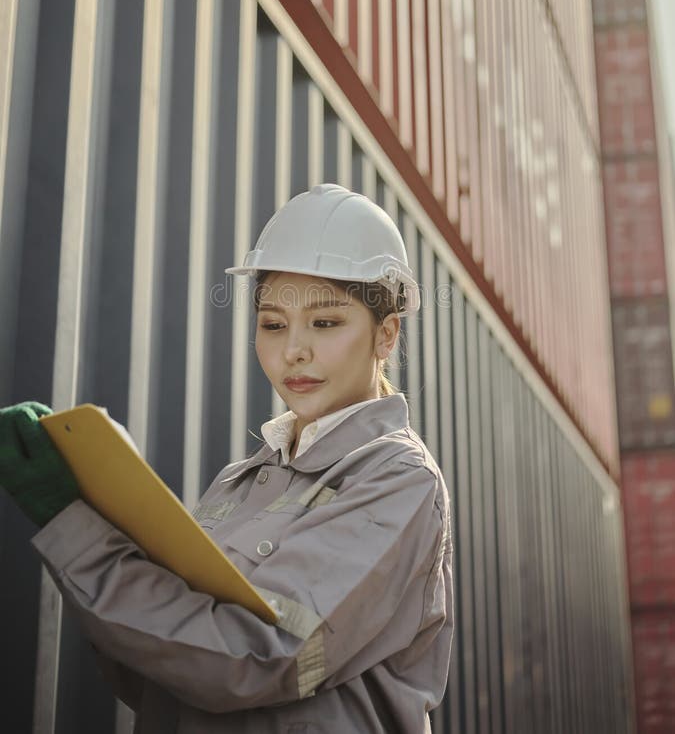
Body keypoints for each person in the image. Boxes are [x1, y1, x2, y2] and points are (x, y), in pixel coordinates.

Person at [0, 183, 453, 733]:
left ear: (386, 335)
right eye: (273, 324)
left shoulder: (398, 480)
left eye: (326, 323)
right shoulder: (238, 485)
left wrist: (76, 533)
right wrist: (98, 512)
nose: (294, 350)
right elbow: (154, 671)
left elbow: (265, 658)